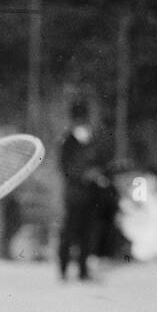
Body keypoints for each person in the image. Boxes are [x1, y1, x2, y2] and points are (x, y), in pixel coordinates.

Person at [57, 100, 104, 280]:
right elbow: (66, 167)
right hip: (74, 195)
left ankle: (83, 271)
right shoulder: (68, 141)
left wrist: (97, 173)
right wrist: (85, 174)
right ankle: (63, 270)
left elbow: (100, 162)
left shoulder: (92, 140)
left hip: (90, 196)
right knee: (69, 234)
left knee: (87, 234)